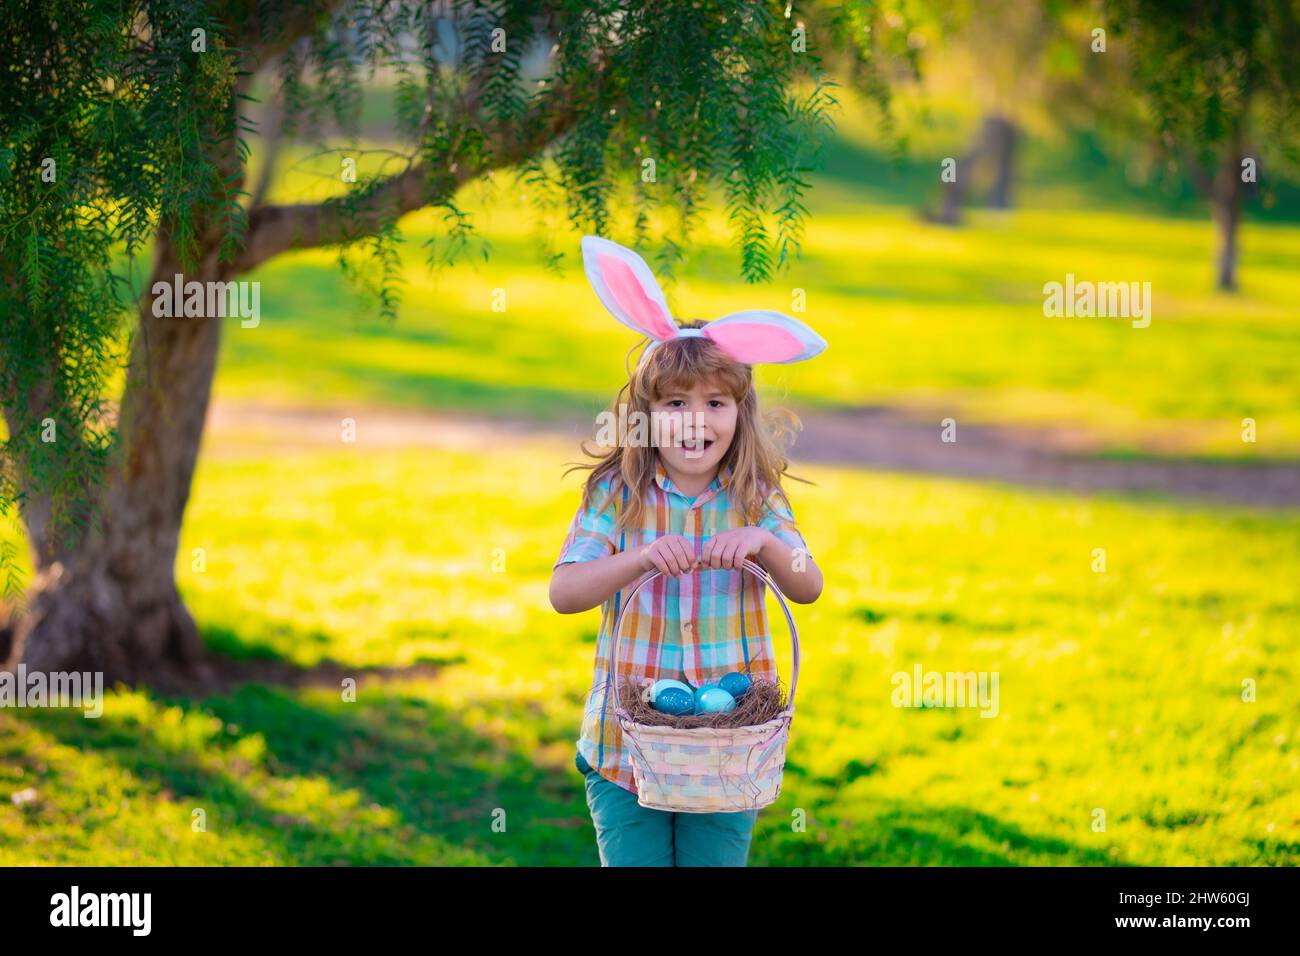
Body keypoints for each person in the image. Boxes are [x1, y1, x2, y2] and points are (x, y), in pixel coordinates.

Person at [549, 235, 827, 866]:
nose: (694, 419)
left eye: (715, 403)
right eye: (675, 403)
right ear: (646, 414)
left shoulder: (757, 496)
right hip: (625, 747)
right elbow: (564, 592)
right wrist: (639, 559)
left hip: (730, 752)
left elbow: (808, 585)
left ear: (739, 411)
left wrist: (765, 544)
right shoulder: (618, 494)